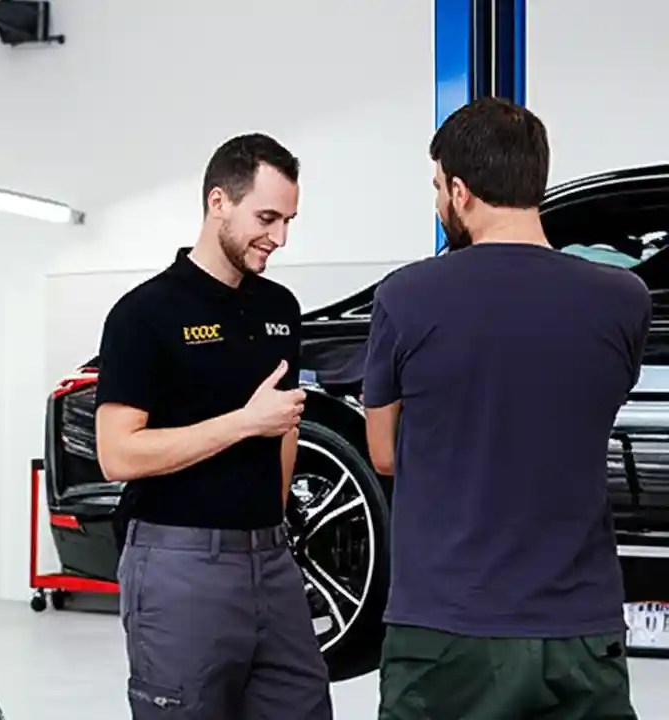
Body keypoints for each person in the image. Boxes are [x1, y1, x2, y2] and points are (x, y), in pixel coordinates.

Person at [363, 97, 650, 719]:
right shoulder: (623, 300)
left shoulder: (405, 296)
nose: (439, 201)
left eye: (438, 187)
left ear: (461, 192)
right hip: (580, 628)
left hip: (443, 628)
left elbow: (384, 455)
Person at [95, 133, 332, 719]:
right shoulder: (143, 314)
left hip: (272, 560)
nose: (279, 237)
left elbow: (285, 427)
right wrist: (243, 424)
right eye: (267, 217)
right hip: (180, 565)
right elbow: (118, 455)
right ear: (218, 201)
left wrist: (270, 522)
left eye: (289, 221)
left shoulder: (281, 308)